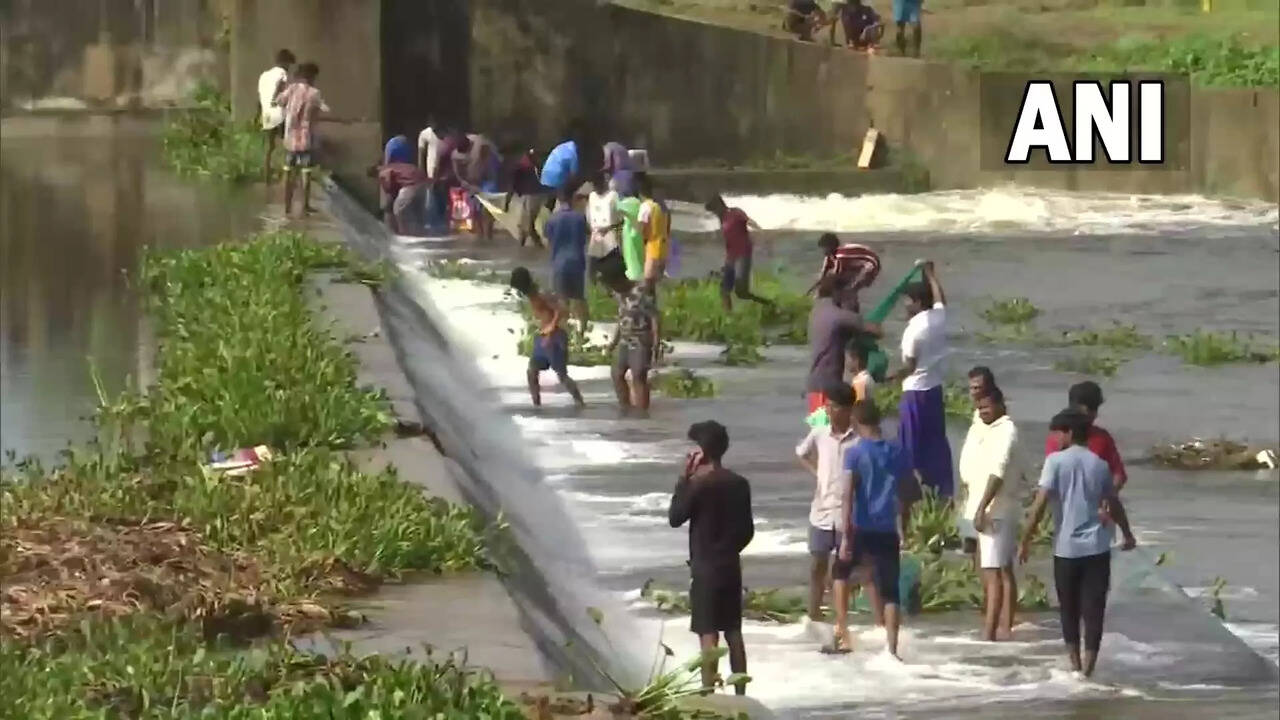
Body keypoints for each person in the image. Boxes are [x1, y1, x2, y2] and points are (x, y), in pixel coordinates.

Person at [1020, 409, 1137, 678]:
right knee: (1094, 609)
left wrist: (1025, 538)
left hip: (1066, 549)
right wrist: (1127, 534)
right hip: (1097, 547)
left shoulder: (1055, 462)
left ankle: (1074, 666)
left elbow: (1039, 505)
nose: (1055, 437)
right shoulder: (1099, 465)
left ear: (1069, 433)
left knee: (1069, 609)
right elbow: (1113, 504)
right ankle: (1089, 669)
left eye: (1057, 432)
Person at [668, 421, 754, 695]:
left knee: (708, 634)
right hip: (729, 565)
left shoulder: (697, 486)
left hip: (705, 568)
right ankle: (741, 695)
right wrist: (729, 550)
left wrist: (683, 479)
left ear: (701, 453)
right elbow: (748, 531)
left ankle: (708, 694)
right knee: (733, 632)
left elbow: (675, 518)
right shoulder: (740, 483)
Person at [835, 399, 918, 656]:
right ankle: (892, 650)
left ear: (856, 422)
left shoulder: (855, 453)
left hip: (861, 526)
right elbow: (909, 492)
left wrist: (846, 537)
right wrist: (903, 526)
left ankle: (842, 632)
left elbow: (847, 495)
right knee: (891, 591)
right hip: (887, 529)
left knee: (840, 573)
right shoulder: (898, 452)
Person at [796, 385, 873, 625]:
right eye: (827, 405)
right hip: (821, 511)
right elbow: (801, 453)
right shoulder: (819, 433)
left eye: (833, 406)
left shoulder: (859, 440)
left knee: (848, 568)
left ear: (847, 410)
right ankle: (814, 615)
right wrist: (817, 472)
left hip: (847, 513)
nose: (828, 409)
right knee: (817, 563)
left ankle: (844, 618)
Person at [961, 387, 1027, 642]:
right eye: (979, 408)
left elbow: (997, 473)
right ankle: (1002, 628)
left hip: (995, 511)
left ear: (1000, 405)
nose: (982, 411)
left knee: (994, 572)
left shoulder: (1005, 431)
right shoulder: (985, 426)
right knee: (997, 569)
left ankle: (990, 634)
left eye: (987, 406)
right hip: (986, 507)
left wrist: (981, 509)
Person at [887, 260, 954, 498]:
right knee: (935, 447)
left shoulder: (913, 330)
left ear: (916, 303)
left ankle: (910, 499)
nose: (904, 305)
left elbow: (910, 366)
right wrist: (931, 274)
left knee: (909, 451)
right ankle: (942, 494)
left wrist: (889, 378)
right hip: (934, 391)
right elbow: (940, 299)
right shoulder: (938, 317)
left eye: (908, 301)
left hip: (915, 393)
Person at [509, 267, 585, 409]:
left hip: (555, 337)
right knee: (532, 371)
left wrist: (551, 329)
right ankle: (536, 406)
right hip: (542, 337)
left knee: (561, 375)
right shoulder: (531, 294)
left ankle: (580, 402)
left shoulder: (541, 294)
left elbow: (561, 309)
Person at [807, 275, 881, 415]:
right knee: (829, 429)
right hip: (829, 387)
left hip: (814, 385)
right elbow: (877, 331)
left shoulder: (816, 311)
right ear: (838, 293)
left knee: (819, 430)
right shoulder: (838, 315)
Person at [1045, 381, 1128, 492]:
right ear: (1085, 409)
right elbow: (1118, 476)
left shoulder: (1056, 437)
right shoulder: (1102, 438)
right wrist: (1107, 498)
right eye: (1095, 409)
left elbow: (1049, 481)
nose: (1096, 414)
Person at [275, 61, 329, 217]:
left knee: (288, 171)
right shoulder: (315, 93)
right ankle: (305, 206)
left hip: (290, 138)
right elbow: (324, 109)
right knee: (306, 173)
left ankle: (287, 206)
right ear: (312, 76)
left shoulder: (291, 89)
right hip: (306, 138)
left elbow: (278, 101)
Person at [705, 195, 773, 313]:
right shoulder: (721, 219)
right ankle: (729, 317)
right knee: (724, 290)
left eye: (714, 210)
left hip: (743, 254)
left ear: (720, 206)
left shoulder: (736, 212)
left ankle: (769, 305)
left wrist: (763, 234)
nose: (714, 214)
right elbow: (729, 239)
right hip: (730, 257)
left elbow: (750, 222)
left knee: (742, 292)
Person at [958, 364, 999, 559]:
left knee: (985, 554)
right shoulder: (978, 415)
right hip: (972, 488)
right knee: (971, 546)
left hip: (986, 494)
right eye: (971, 388)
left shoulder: (995, 419)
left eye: (978, 388)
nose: (973, 393)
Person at [607, 276, 660, 412]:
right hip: (624, 339)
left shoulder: (641, 294)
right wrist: (613, 342)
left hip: (641, 340)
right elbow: (621, 320)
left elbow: (654, 318)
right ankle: (625, 408)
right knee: (616, 374)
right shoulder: (621, 296)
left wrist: (655, 343)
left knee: (638, 376)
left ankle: (642, 413)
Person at [544, 189, 590, 333]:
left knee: (561, 300)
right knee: (579, 299)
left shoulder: (552, 219)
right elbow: (587, 234)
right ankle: (581, 331)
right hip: (577, 262)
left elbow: (547, 240)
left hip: (559, 262)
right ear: (572, 200)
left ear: (558, 200)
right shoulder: (579, 217)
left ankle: (564, 331)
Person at [369, 135, 428, 236]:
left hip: (410, 186)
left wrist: (387, 190)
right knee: (417, 212)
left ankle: (403, 235)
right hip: (423, 184)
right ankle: (420, 233)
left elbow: (389, 185)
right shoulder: (398, 165)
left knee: (398, 209)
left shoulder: (383, 171)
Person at [809, 234, 881, 313]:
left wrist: (820, 293)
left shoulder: (841, 256)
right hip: (857, 264)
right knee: (838, 283)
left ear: (831, 247)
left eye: (824, 249)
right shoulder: (830, 257)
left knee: (850, 287)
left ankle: (852, 312)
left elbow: (835, 276)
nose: (823, 252)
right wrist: (810, 292)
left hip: (871, 265)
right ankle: (839, 306)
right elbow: (823, 276)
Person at [257, 49, 294, 182]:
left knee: (269, 146)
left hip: (266, 114)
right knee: (287, 145)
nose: (289, 67)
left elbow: (260, 97)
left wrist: (258, 114)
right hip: (280, 113)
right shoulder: (283, 74)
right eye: (289, 63)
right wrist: (275, 98)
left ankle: (267, 176)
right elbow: (282, 88)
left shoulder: (264, 75)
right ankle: (285, 176)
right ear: (285, 62)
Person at [587, 174, 627, 288]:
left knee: (612, 267)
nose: (596, 188)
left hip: (611, 235)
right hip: (598, 234)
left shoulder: (613, 195)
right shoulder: (592, 196)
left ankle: (611, 288)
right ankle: (596, 289)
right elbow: (590, 216)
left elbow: (622, 218)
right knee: (593, 267)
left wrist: (611, 228)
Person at [504, 148, 545, 247]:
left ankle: (538, 247)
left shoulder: (523, 167)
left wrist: (507, 203)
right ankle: (528, 247)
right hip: (534, 196)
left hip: (534, 196)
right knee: (524, 226)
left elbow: (511, 187)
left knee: (528, 226)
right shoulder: (531, 167)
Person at [637, 175, 671, 283]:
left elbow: (641, 228)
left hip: (652, 246)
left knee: (648, 280)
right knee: (658, 280)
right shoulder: (664, 208)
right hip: (664, 247)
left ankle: (650, 299)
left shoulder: (645, 206)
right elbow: (668, 228)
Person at [540, 133, 582, 213]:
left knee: (551, 197)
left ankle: (549, 207)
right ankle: (565, 208)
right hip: (557, 178)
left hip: (545, 175)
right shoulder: (573, 151)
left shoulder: (561, 146)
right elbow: (574, 172)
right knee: (566, 190)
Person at [616, 186, 646, 282]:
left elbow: (617, 207)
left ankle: (634, 277)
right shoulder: (640, 203)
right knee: (639, 256)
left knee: (631, 256)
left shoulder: (629, 202)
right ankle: (640, 275)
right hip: (639, 232)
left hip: (629, 233)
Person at [845, 338, 877, 403]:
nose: (845, 362)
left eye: (847, 358)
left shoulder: (859, 382)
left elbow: (859, 407)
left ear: (856, 359)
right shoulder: (867, 378)